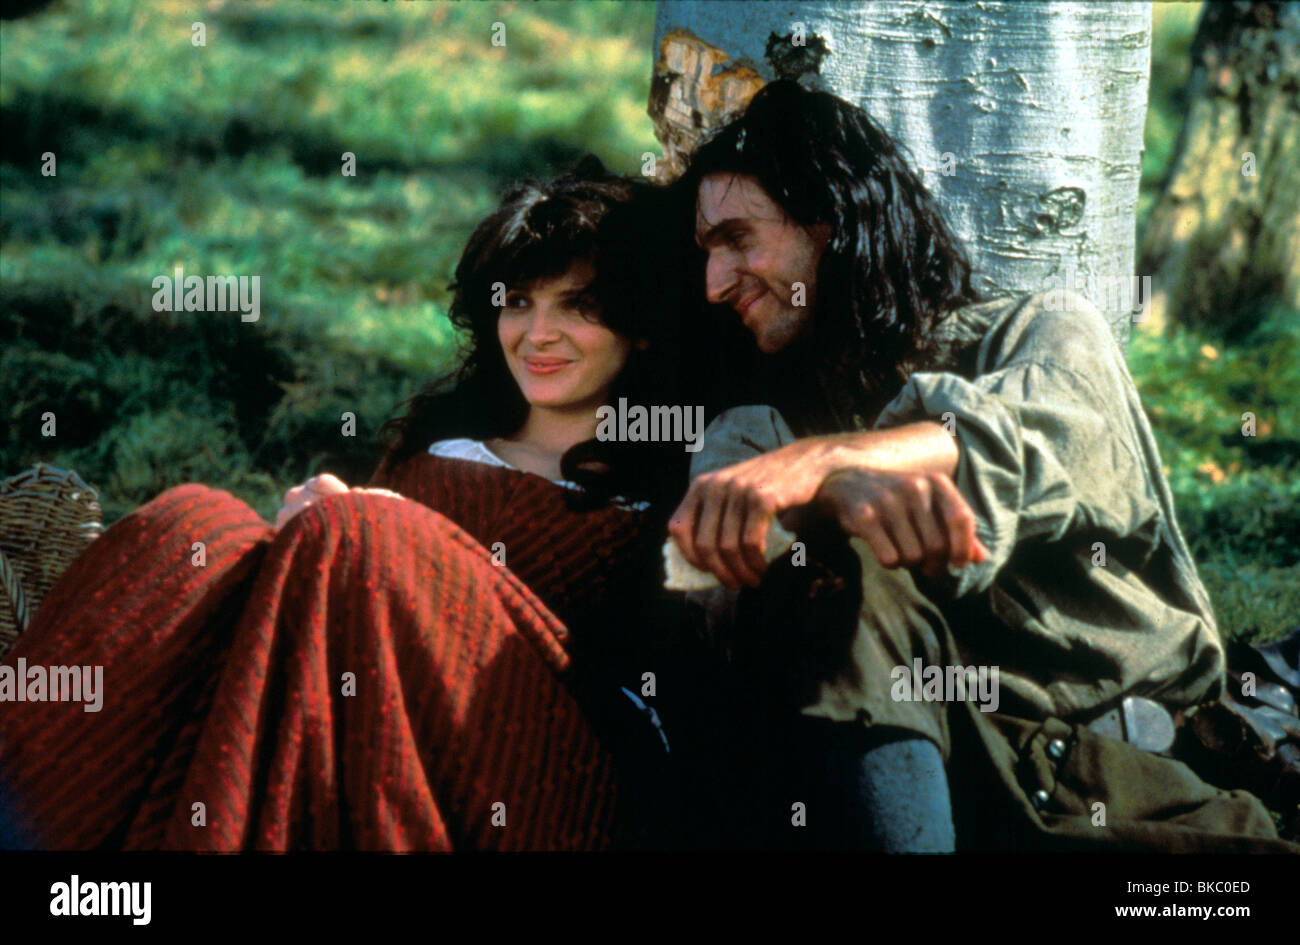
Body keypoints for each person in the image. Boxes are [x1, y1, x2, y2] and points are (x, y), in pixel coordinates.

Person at [664, 80, 1295, 852]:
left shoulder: (1039, 329)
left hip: (1147, 799)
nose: (714, 283)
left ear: (829, 220)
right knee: (843, 577)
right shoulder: (755, 425)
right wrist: (828, 496)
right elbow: (711, 578)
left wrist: (836, 462)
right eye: (705, 253)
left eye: (736, 239)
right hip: (956, 793)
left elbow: (1039, 437)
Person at [0, 156, 695, 851]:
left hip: (539, 767)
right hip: (351, 709)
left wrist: (363, 533)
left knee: (354, 529)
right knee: (195, 522)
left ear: (640, 325)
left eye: (577, 304)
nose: (538, 333)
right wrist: (312, 546)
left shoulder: (668, 479)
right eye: (518, 301)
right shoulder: (440, 449)